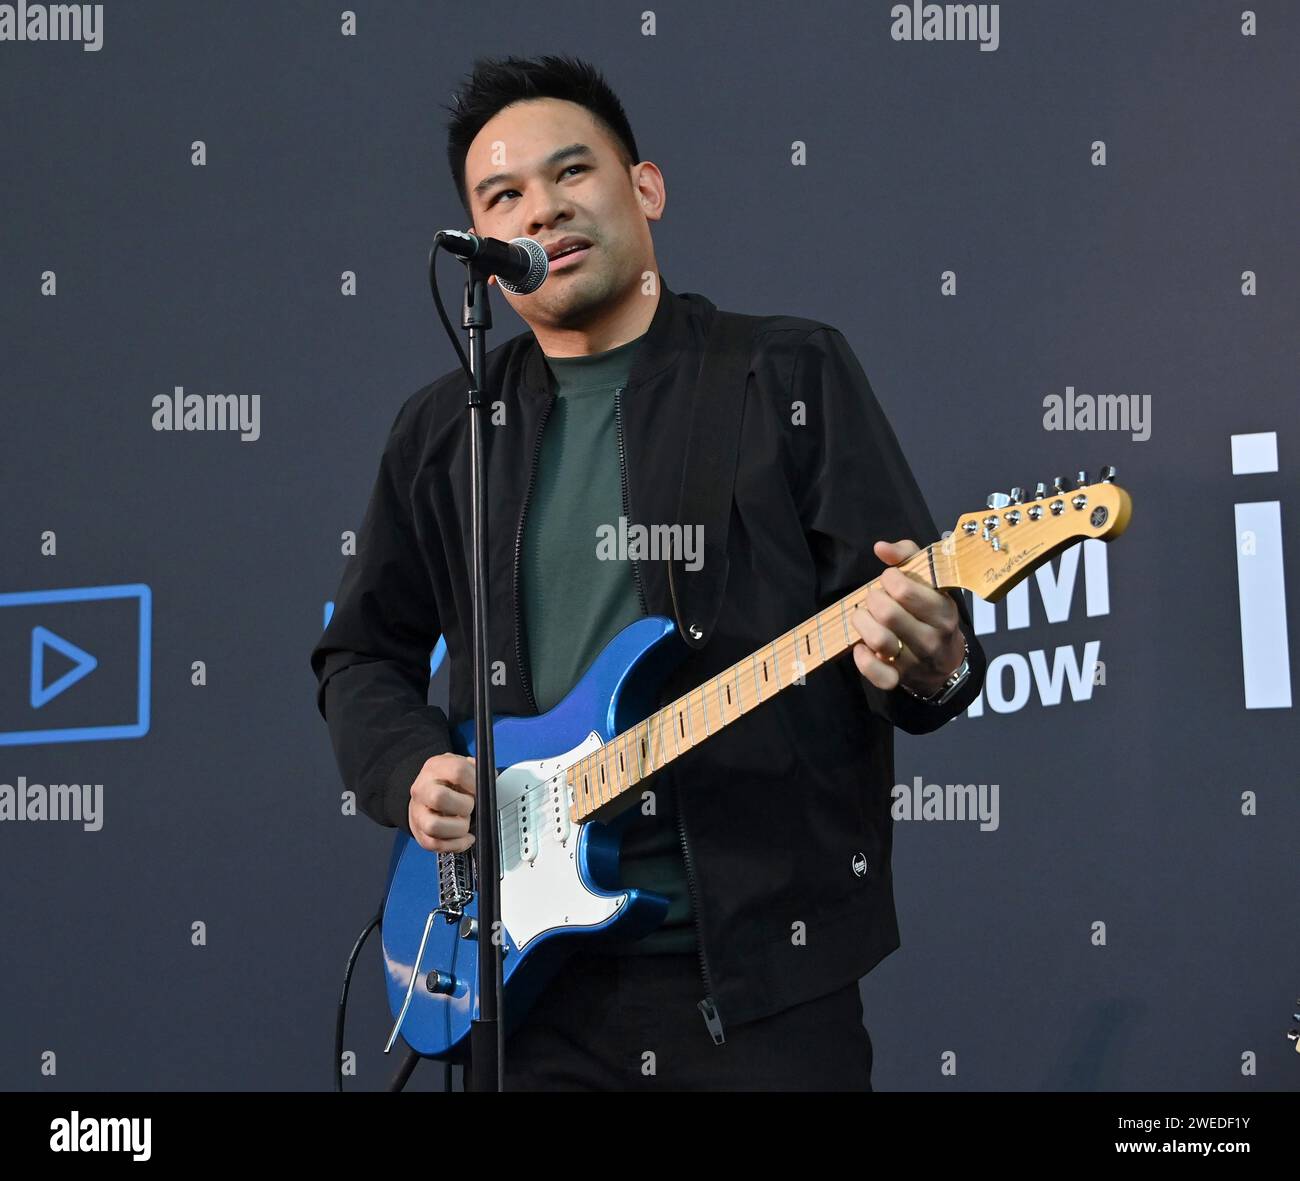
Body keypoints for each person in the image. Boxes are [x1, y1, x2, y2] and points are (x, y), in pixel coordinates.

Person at [310, 54, 987, 1092]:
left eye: (571, 173)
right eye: (503, 196)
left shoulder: (786, 372)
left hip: (763, 984)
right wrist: (409, 770)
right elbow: (360, 650)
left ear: (645, 188)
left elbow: (907, 636)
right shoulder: (445, 431)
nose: (543, 209)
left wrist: (929, 662)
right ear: (484, 250)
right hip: (525, 984)